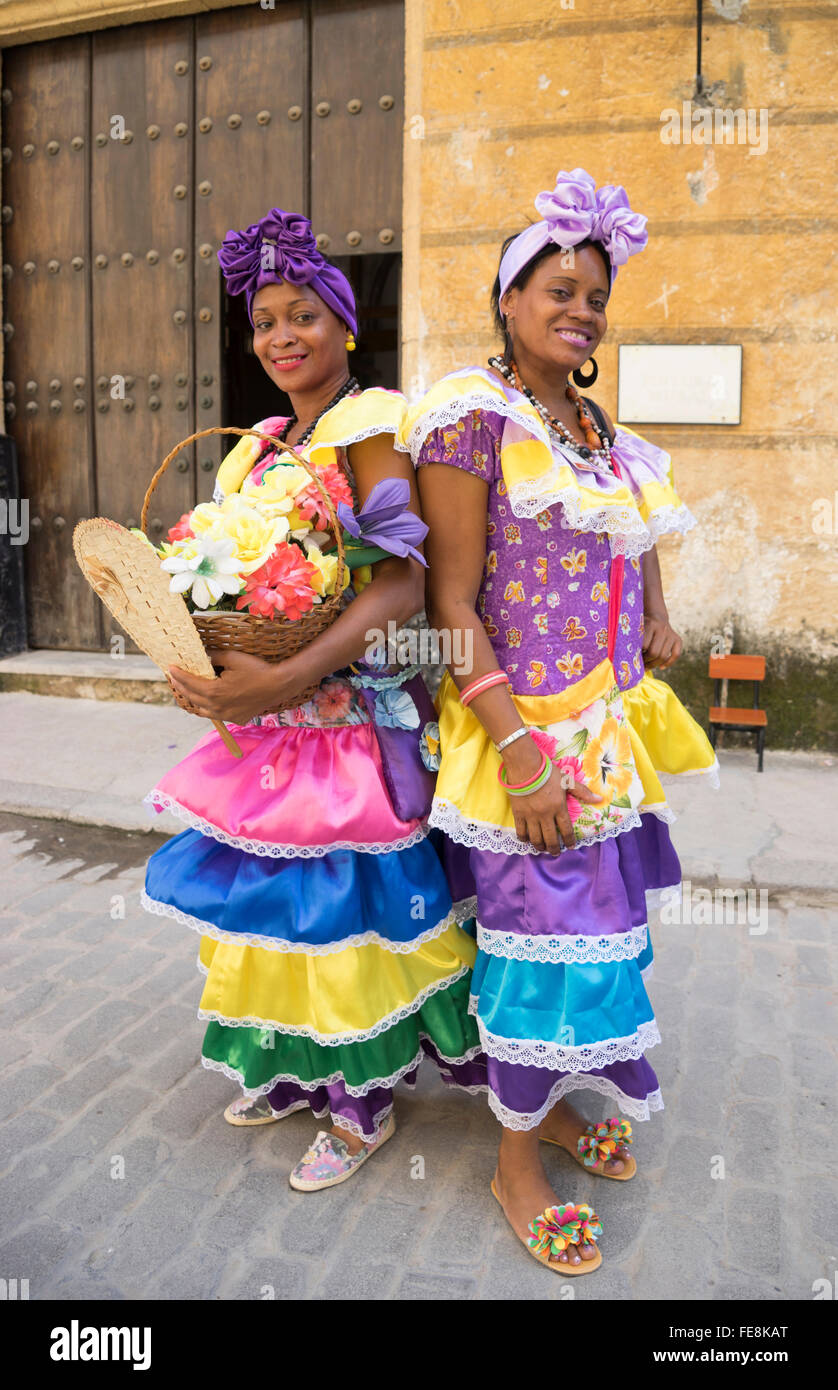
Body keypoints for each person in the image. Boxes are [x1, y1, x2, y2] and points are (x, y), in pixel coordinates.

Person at [398, 169, 717, 1272]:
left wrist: (660, 613)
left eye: (593, 297)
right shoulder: (469, 418)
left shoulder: (590, 424)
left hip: (605, 730)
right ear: (507, 301)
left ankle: (549, 1108)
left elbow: (635, 532)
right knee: (550, 953)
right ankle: (515, 1162)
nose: (579, 311)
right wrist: (518, 751)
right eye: (557, 291)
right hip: (522, 735)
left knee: (594, 944)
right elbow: (449, 606)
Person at [142, 207, 486, 1191]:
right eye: (262, 322)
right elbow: (221, 573)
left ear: (343, 326)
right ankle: (296, 1066)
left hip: (349, 726)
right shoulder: (253, 446)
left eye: (301, 315)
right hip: (270, 726)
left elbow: (401, 585)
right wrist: (205, 655)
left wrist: (291, 675)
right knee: (274, 908)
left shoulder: (369, 426)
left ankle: (361, 1099)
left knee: (346, 919)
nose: (280, 336)